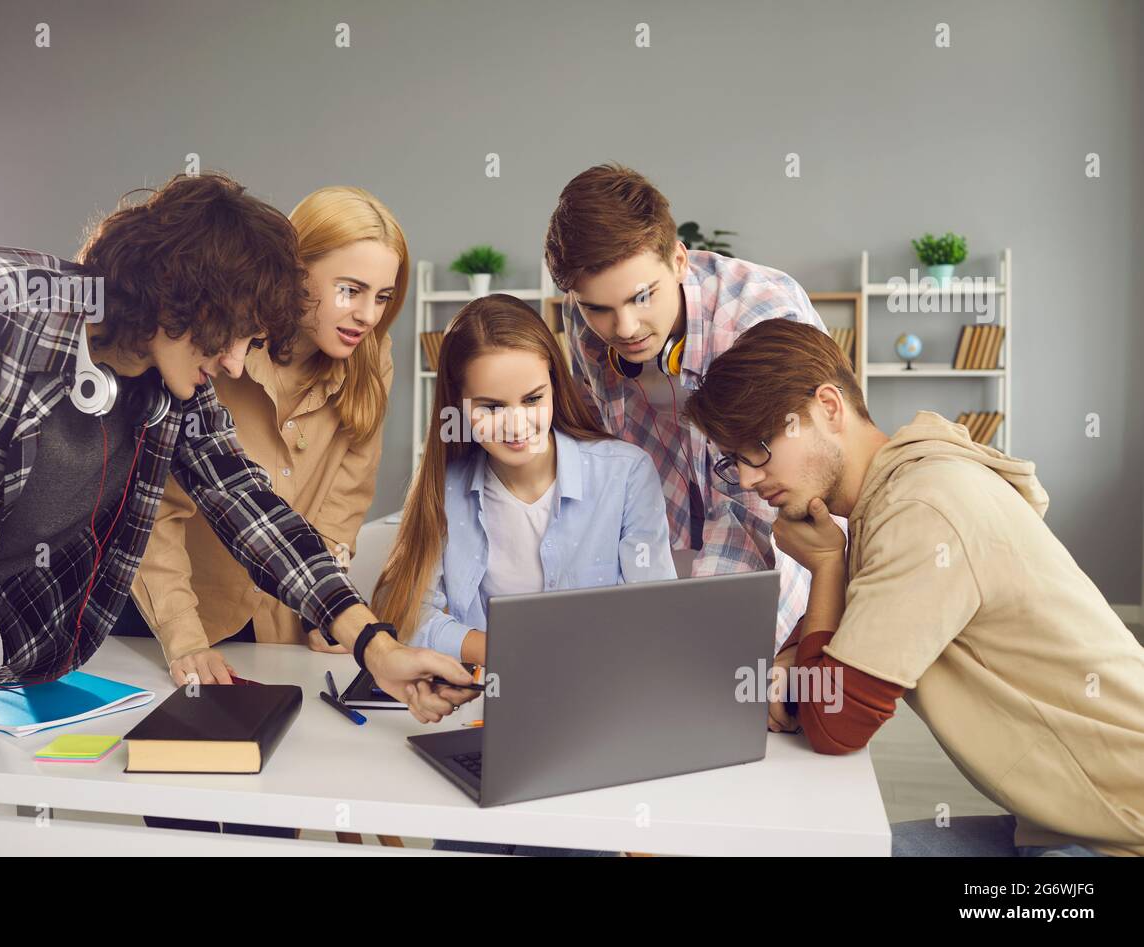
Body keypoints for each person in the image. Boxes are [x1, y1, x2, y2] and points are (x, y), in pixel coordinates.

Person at [0, 172, 470, 764]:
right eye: (233, 337)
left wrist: (375, 645)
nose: (232, 366)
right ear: (180, 297)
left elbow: (246, 502)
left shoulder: (172, 374)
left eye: (250, 345)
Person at [686, 317, 1144, 857]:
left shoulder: (922, 508)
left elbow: (834, 726)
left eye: (757, 447)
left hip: (1117, 836)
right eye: (731, 459)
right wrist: (804, 663)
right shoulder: (894, 494)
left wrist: (828, 568)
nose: (745, 479)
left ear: (828, 408)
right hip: (1056, 824)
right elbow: (809, 682)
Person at [372, 292, 674, 856]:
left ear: (555, 387)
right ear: (457, 407)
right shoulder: (444, 486)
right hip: (484, 728)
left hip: (592, 731)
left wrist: (483, 651)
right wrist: (502, 652)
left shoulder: (624, 475)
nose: (516, 425)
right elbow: (408, 614)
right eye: (489, 406)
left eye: (532, 398)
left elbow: (651, 620)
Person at [122, 185, 405, 683]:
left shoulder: (372, 359)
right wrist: (184, 637)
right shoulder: (210, 351)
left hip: (285, 609)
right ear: (296, 274)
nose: (368, 315)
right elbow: (157, 509)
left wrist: (328, 608)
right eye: (350, 290)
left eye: (382, 297)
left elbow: (344, 502)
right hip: (172, 611)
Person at [545, 163, 829, 650]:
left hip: (771, 522)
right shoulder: (582, 320)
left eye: (642, 297)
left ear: (678, 260)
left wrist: (702, 634)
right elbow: (601, 452)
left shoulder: (759, 316)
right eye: (598, 308)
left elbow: (765, 503)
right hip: (664, 531)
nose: (626, 327)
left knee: (732, 676)